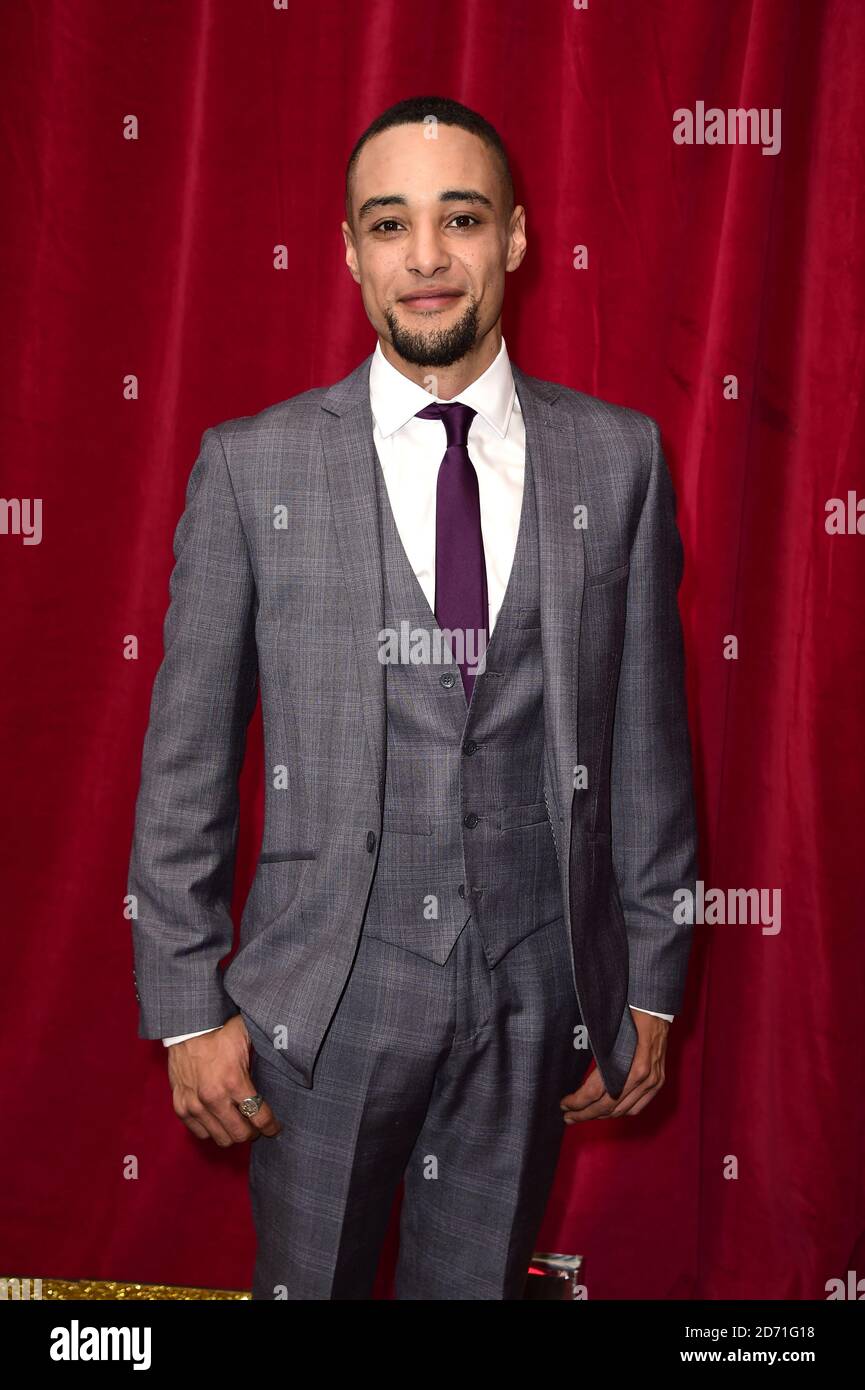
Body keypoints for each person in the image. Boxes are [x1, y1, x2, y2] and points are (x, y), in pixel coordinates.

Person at [128, 94, 698, 1300]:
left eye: (461, 219)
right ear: (349, 249)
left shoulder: (619, 457)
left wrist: (646, 977)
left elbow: (647, 742)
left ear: (517, 238)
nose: (427, 258)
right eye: (390, 225)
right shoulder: (251, 466)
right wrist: (187, 1008)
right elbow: (184, 759)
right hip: (319, 1003)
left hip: (540, 993)